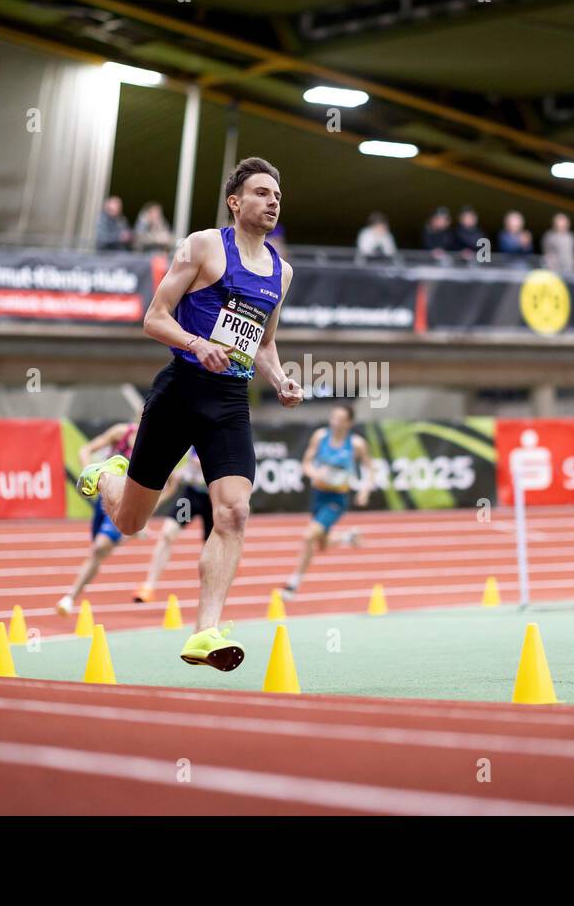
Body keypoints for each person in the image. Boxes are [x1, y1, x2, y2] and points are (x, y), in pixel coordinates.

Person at [76, 157, 303, 672]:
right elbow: (154, 318)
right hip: (180, 392)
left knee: (235, 512)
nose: (273, 203)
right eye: (263, 193)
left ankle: (204, 630)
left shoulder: (281, 272)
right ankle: (113, 477)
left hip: (228, 402)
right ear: (235, 201)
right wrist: (197, 344)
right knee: (131, 523)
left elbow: (264, 343)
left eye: (278, 197)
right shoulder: (202, 246)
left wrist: (280, 379)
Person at [282, 404, 374, 596]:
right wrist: (315, 473)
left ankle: (294, 583)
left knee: (308, 536)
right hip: (318, 495)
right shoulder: (320, 437)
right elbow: (306, 462)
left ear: (349, 422)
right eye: (333, 417)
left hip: (337, 498)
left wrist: (364, 491)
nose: (335, 423)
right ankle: (348, 537)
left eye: (340, 419)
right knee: (321, 544)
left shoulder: (356, 444)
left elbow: (369, 468)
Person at [56, 420, 141, 616]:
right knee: (96, 554)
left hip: (124, 504)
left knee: (99, 548)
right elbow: (85, 450)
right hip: (102, 503)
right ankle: (130, 532)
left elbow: (167, 484)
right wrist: (91, 474)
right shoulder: (121, 433)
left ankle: (70, 597)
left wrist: (145, 509)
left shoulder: (156, 446)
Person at [131, 448, 214, 603]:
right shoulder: (196, 435)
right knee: (167, 533)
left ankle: (211, 592)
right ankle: (149, 586)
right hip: (193, 496)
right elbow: (192, 464)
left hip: (215, 499)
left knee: (211, 546)